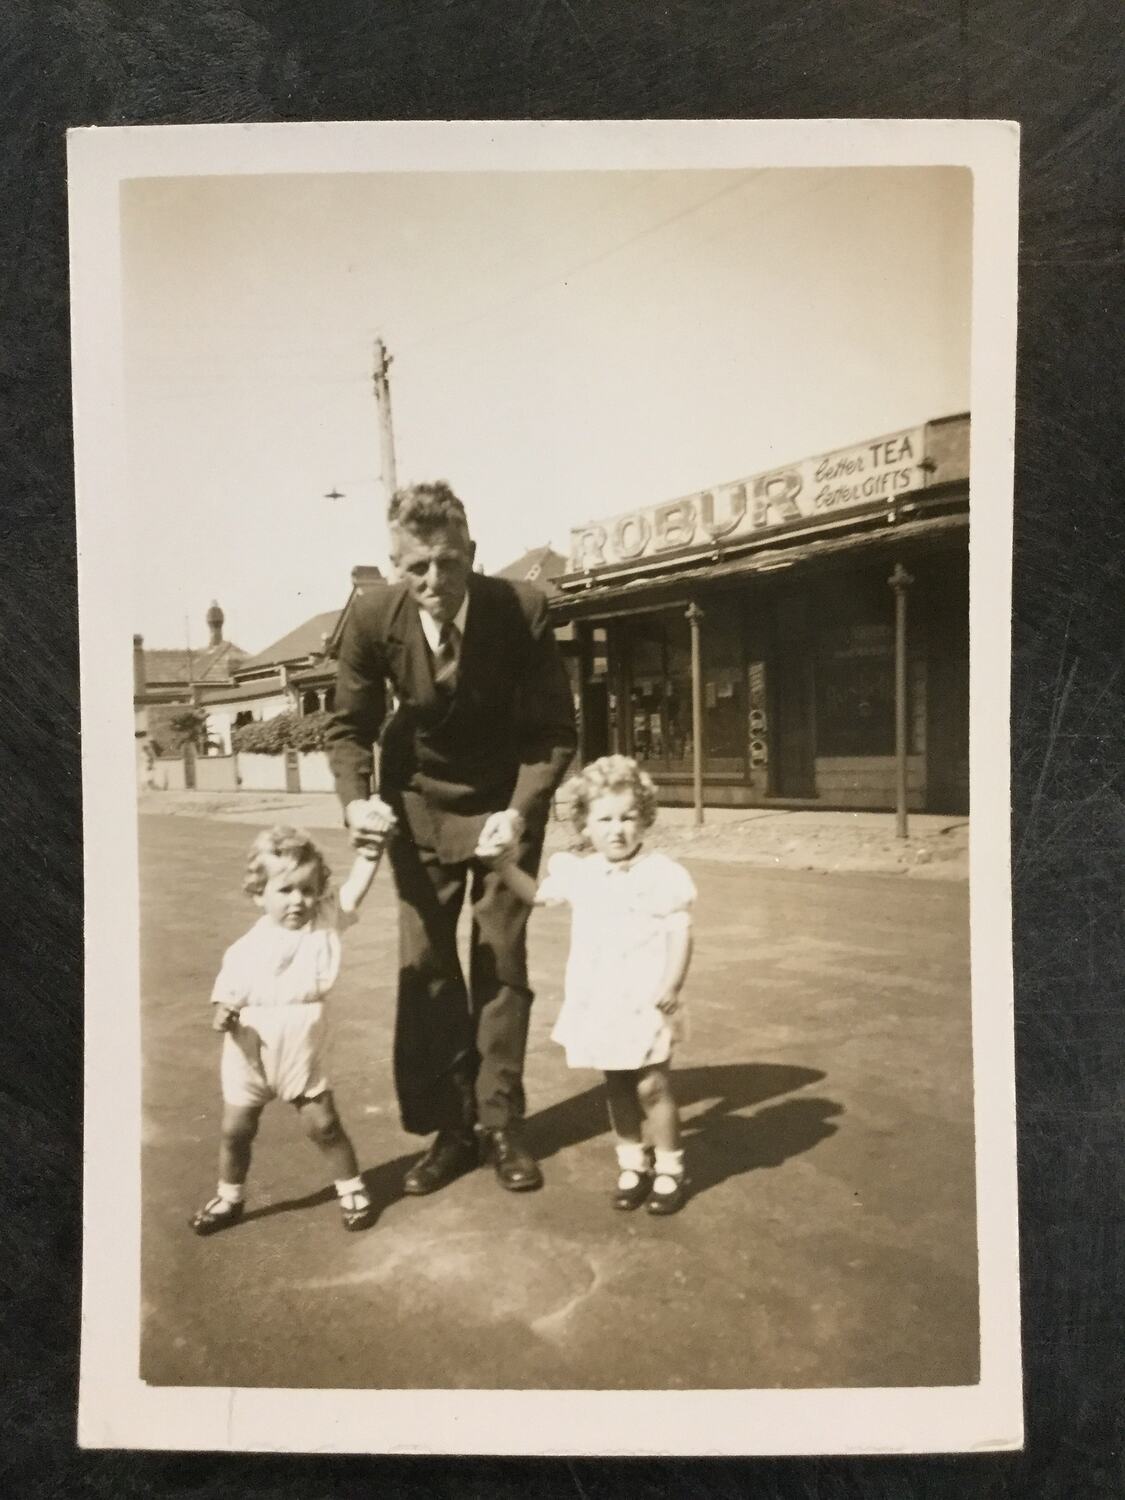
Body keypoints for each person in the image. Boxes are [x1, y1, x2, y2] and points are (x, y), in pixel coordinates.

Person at [326, 481, 577, 1196]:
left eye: (448, 563)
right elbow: (348, 728)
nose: (434, 582)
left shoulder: (521, 610)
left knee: (500, 957)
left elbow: (555, 730)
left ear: (470, 552)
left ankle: (500, 1124)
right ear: (395, 563)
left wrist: (522, 811)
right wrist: (357, 804)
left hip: (503, 799)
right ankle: (451, 1129)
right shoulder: (374, 617)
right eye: (417, 567)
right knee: (429, 964)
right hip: (416, 801)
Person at [482, 755, 696, 1214]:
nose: (617, 829)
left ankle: (672, 1168)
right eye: (605, 819)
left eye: (627, 817)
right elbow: (536, 895)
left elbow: (681, 931)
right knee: (617, 1084)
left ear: (644, 818)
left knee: (652, 1086)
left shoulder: (661, 874)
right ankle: (632, 1161)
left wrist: (672, 984)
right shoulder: (580, 873)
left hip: (647, 998)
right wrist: (503, 866)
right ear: (586, 825)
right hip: (603, 1000)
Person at [189, 817, 393, 1236]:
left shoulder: (324, 922)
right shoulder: (245, 949)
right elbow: (225, 996)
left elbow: (354, 889)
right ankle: (230, 1195)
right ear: (258, 894)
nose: (298, 901)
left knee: (324, 1125)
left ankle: (351, 1186)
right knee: (236, 1131)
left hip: (302, 1046)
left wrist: (370, 854)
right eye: (285, 891)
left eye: (307, 889)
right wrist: (223, 1012)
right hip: (250, 1049)